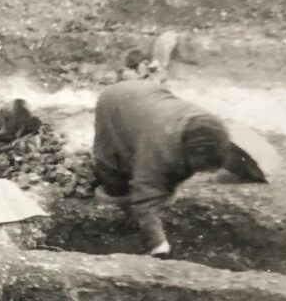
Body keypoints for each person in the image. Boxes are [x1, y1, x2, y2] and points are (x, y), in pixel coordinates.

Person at [92, 79, 230, 257]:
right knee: (114, 177)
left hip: (149, 95)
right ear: (186, 152)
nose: (203, 173)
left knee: (158, 174)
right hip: (115, 101)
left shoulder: (212, 129)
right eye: (202, 168)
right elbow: (144, 199)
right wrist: (157, 244)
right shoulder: (159, 148)